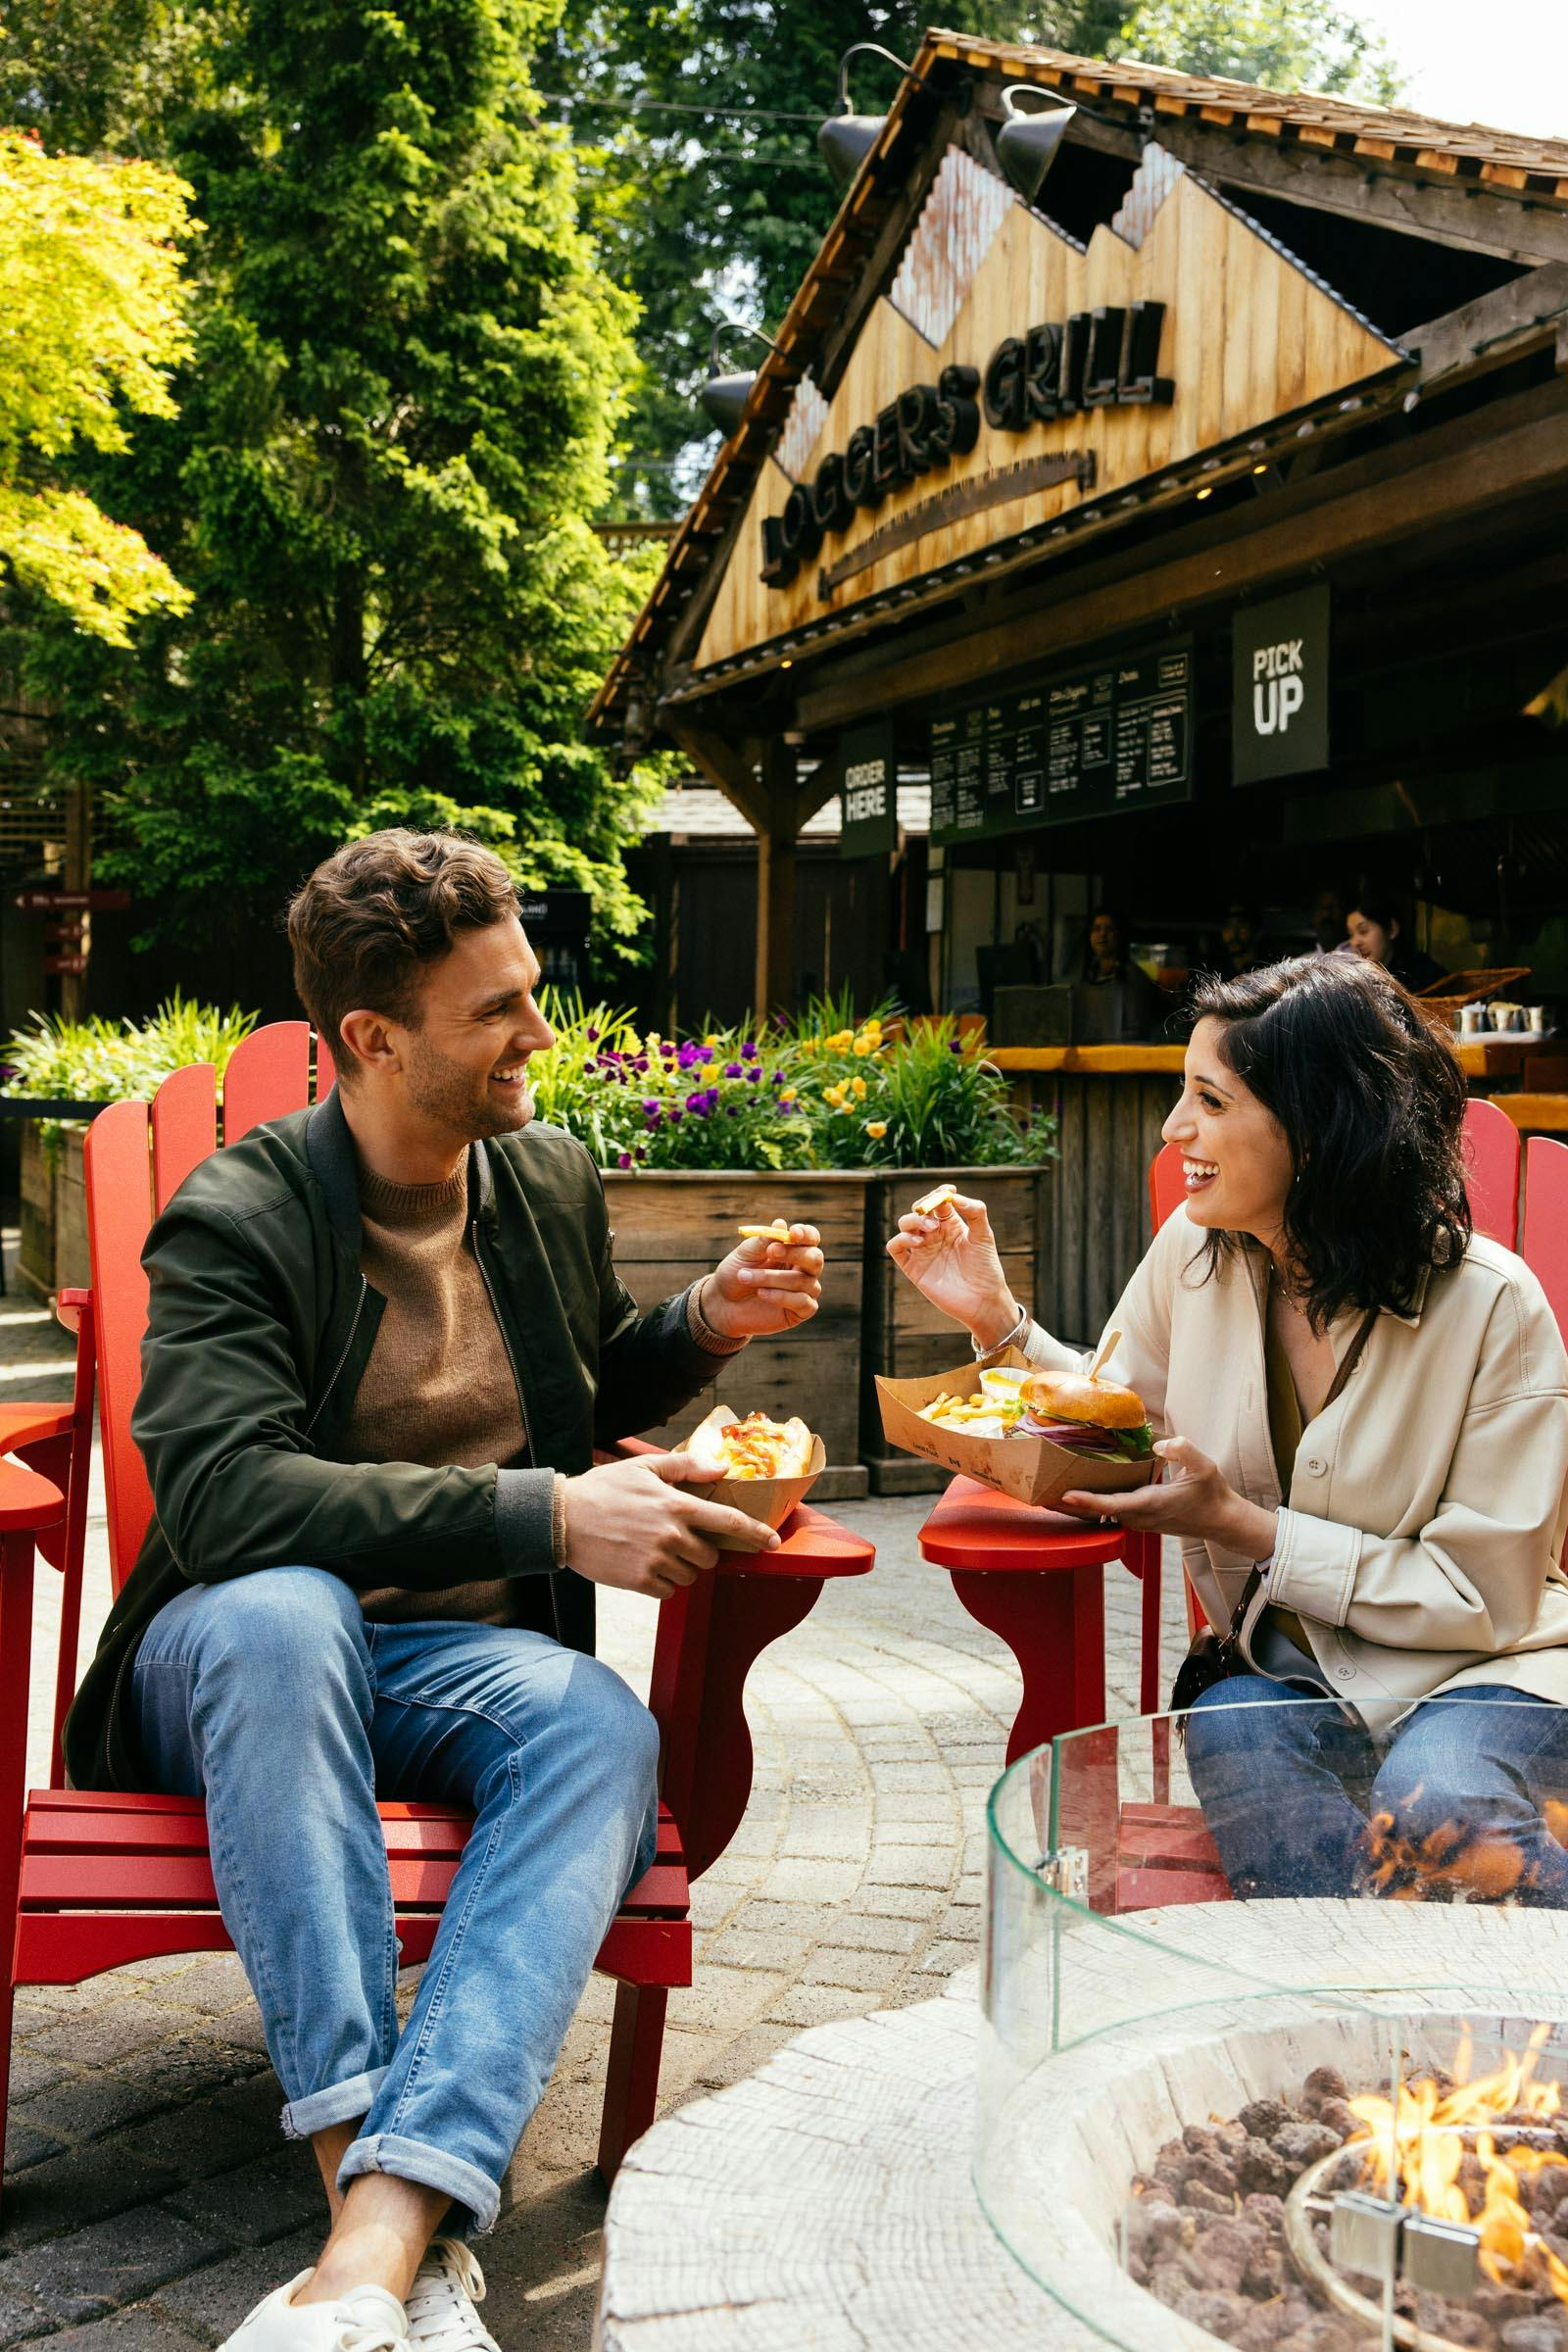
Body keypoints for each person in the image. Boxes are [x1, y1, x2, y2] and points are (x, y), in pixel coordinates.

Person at [63, 831, 827, 2352]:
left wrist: (698, 1326)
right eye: (499, 1012)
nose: (542, 1035)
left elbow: (575, 1369)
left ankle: (379, 2237)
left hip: (448, 1670)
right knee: (290, 1609)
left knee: (598, 1729)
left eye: (533, 995)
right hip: (231, 1663)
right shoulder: (237, 1216)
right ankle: (368, 2173)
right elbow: (218, 1499)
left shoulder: (539, 1176)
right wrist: (548, 1515)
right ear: (374, 1040)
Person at [887, 954, 1568, 1905]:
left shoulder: (1495, 1310)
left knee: (1437, 1808)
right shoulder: (1194, 1257)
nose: (1174, 1131)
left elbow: (1483, 1598)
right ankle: (1354, 2034)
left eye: (1209, 1100)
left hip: (1487, 1678)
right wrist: (996, 1320)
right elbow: (1112, 1421)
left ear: (1318, 1123)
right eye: (1182, 1094)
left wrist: (1244, 1528)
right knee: (1238, 1741)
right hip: (1278, 1679)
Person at [1075, 906, 1165, 1041]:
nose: (1102, 934)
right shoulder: (1086, 976)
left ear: (1120, 934)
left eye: (1109, 929)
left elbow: (1138, 1029)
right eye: (1096, 929)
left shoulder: (1133, 977)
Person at [1347, 892, 1446, 993]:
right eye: (1351, 934)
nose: (1355, 942)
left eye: (1363, 931)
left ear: (1392, 929)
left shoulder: (1423, 972)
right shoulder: (1354, 978)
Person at [1218, 902, 1274, 978]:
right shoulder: (1216, 973)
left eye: (1241, 925)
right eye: (1228, 926)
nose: (1233, 933)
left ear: (1257, 932)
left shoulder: (1269, 973)